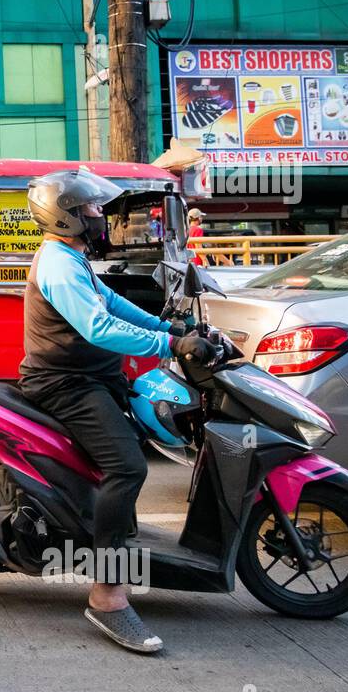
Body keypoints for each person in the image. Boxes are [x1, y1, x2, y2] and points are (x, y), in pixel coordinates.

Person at [19, 169, 219, 654]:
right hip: (63, 382)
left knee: (137, 445)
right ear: (66, 215)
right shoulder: (59, 264)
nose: (98, 216)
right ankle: (107, 593)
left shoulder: (73, 258)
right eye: (89, 209)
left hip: (91, 377)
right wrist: (169, 342)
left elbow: (111, 302)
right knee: (127, 466)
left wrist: (175, 324)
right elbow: (96, 327)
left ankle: (113, 536)